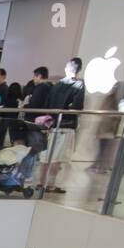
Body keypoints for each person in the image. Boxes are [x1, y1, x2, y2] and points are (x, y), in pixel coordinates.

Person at [31, 57, 85, 193]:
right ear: (79, 69)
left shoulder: (56, 85)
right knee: (58, 157)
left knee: (46, 155)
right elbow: (77, 106)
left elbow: (47, 105)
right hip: (66, 125)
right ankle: (51, 184)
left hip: (51, 124)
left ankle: (40, 183)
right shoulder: (79, 85)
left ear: (66, 69)